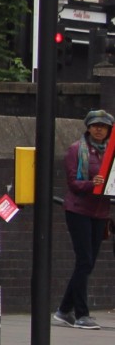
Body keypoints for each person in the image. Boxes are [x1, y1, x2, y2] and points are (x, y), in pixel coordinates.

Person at [58, 110, 113, 328]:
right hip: (78, 210)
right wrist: (92, 183)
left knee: (88, 263)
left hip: (100, 212)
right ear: (88, 127)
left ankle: (64, 310)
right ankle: (81, 314)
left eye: (104, 126)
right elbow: (73, 183)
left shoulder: (111, 152)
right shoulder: (76, 149)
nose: (99, 129)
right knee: (84, 260)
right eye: (95, 125)